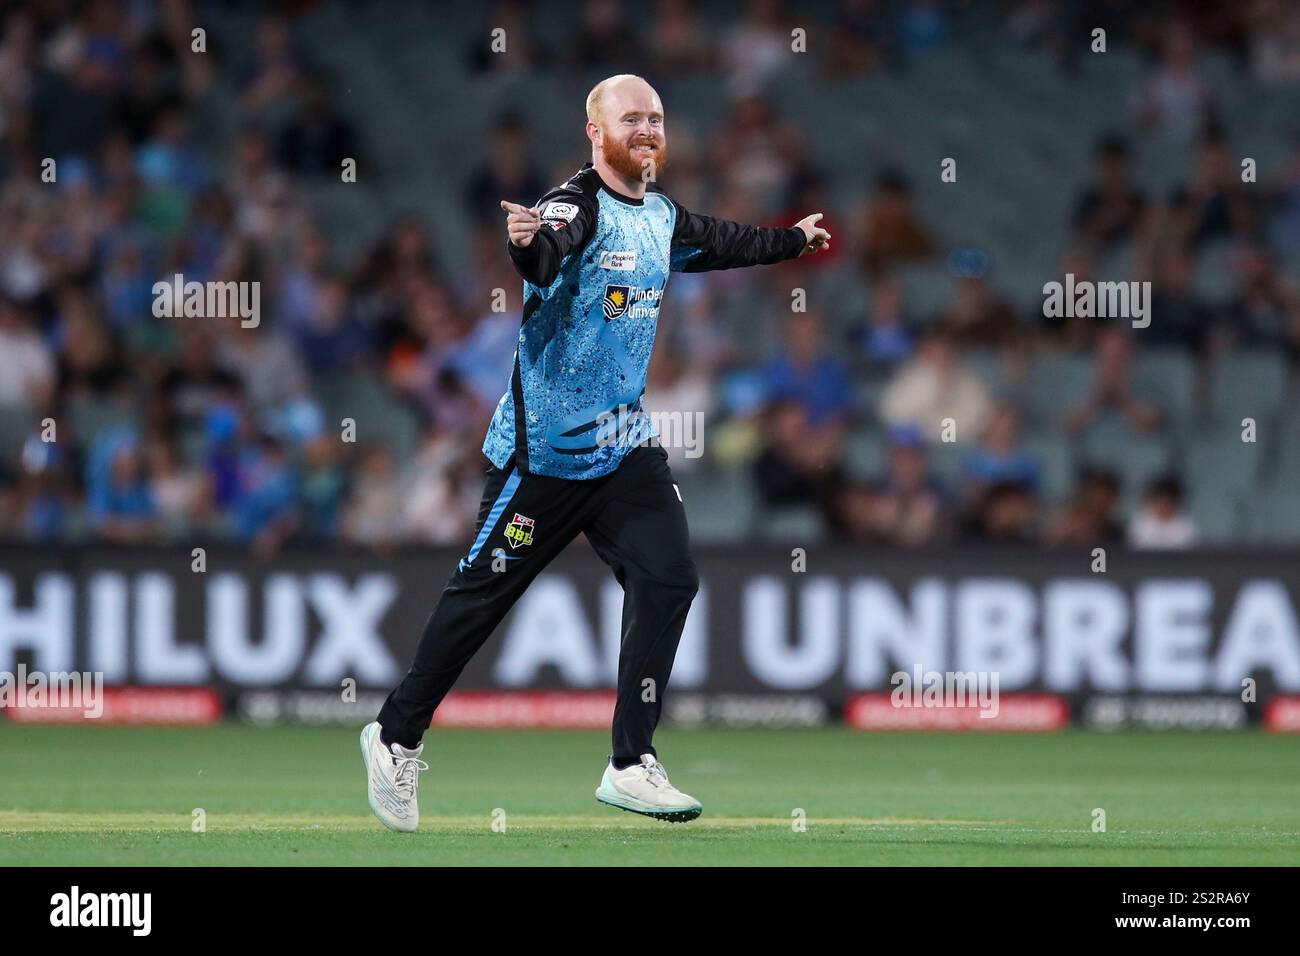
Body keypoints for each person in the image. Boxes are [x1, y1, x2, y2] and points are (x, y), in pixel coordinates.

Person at [361, 74, 831, 832]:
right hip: (541, 455)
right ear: (594, 131)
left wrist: (793, 241)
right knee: (482, 601)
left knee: (669, 577)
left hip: (620, 446)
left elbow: (724, 240)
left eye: (655, 118)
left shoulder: (661, 216)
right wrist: (528, 248)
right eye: (630, 118)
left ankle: (629, 762)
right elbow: (548, 256)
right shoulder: (573, 203)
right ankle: (393, 736)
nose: (646, 129)